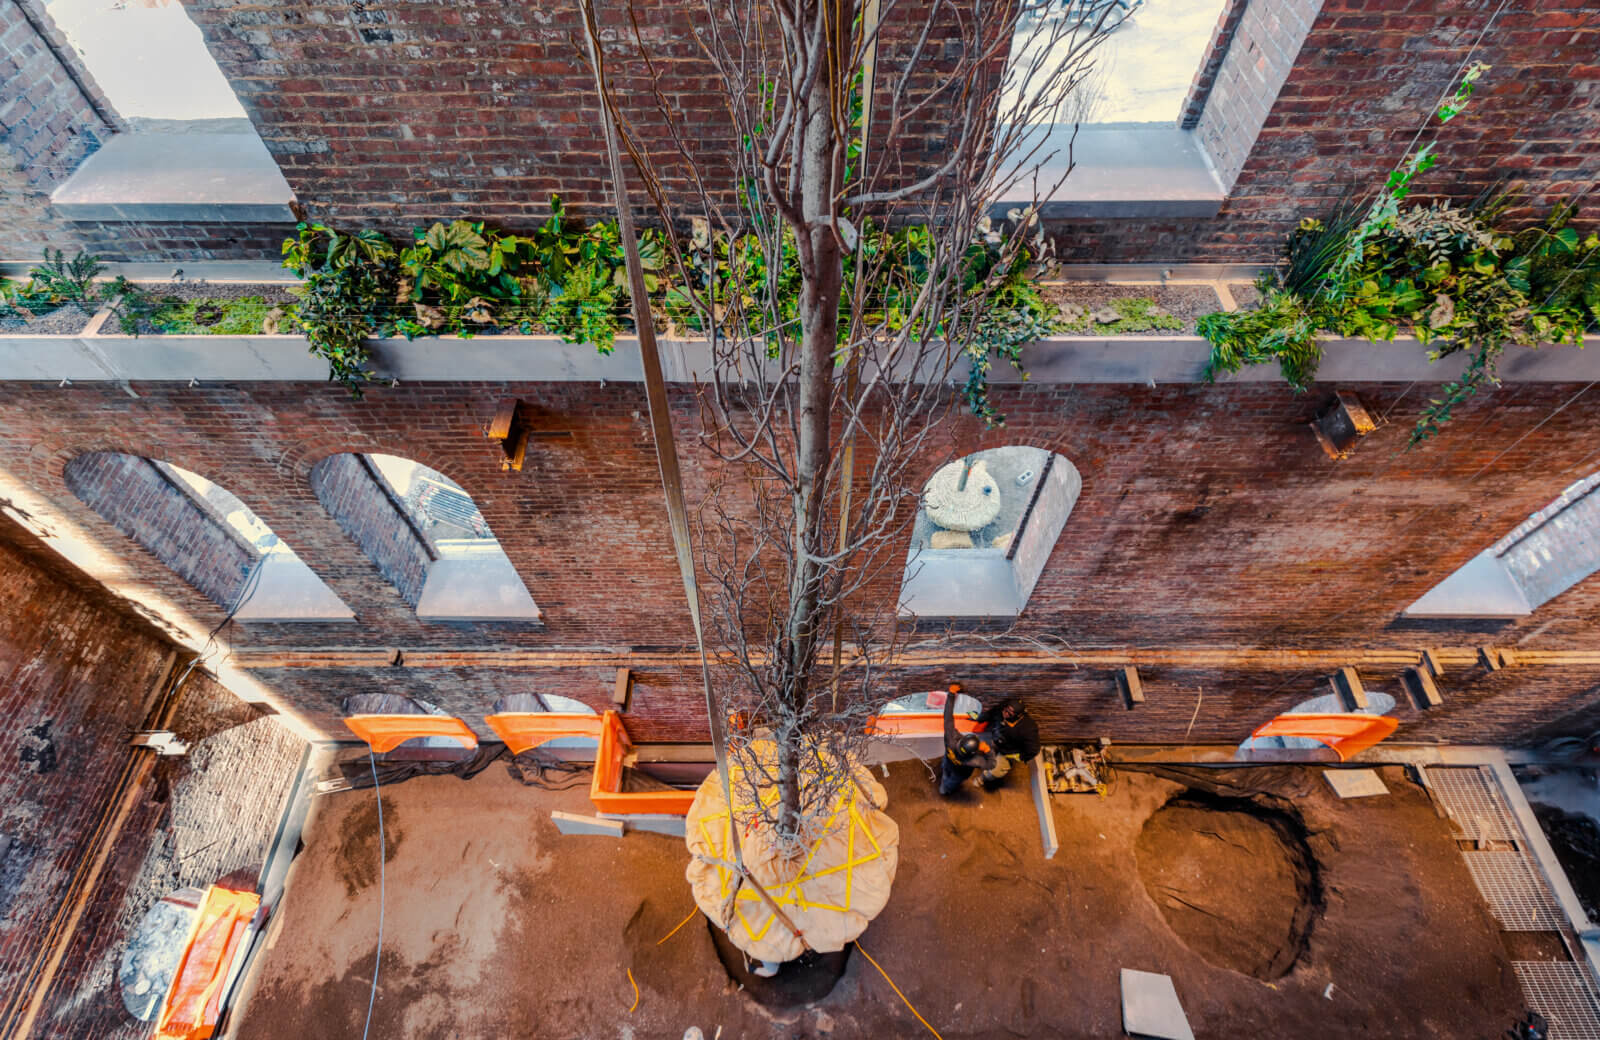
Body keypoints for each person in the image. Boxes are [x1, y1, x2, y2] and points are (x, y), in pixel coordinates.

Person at [938, 684, 996, 796]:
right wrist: (988, 751)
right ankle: (945, 790)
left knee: (945, 769)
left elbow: (948, 717)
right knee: (951, 782)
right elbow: (991, 765)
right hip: (960, 773)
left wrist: (951, 695)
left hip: (948, 761)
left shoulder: (951, 739)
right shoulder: (975, 761)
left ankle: (943, 784)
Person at [976, 698, 1040, 789]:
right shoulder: (1002, 710)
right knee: (983, 748)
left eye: (1010, 713)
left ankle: (983, 779)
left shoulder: (1028, 728)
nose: (1005, 713)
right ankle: (987, 760)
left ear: (1019, 715)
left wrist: (1020, 757)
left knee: (995, 771)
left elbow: (1034, 749)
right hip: (996, 741)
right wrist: (978, 718)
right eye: (1006, 710)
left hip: (1008, 752)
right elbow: (991, 714)